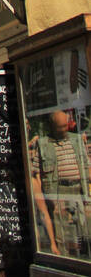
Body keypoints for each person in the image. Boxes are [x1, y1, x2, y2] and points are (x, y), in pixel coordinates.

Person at [28, 110, 91, 258]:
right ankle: (64, 257)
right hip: (58, 190)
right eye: (60, 127)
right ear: (52, 126)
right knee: (61, 226)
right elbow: (37, 171)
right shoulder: (43, 144)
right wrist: (46, 197)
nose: (64, 130)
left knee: (83, 225)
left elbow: (86, 165)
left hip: (77, 188)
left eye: (65, 126)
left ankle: (85, 255)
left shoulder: (76, 140)